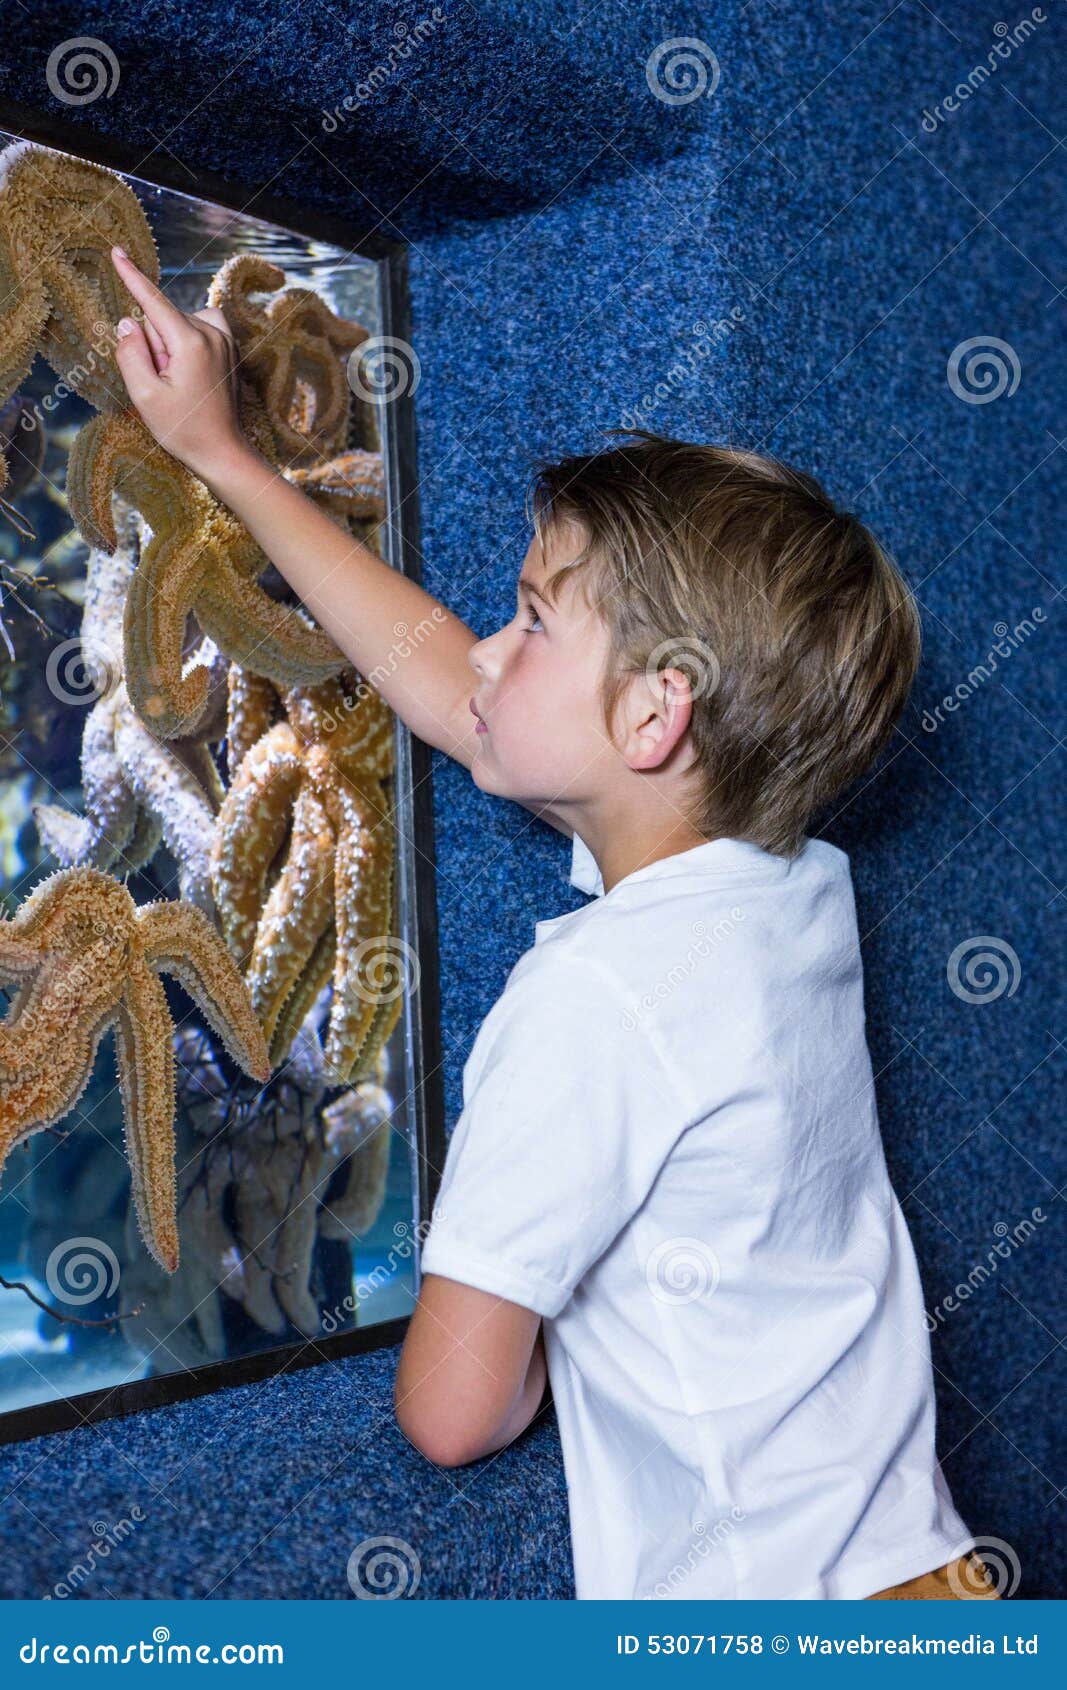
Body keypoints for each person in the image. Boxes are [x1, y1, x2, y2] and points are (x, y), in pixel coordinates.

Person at [105, 247, 1000, 1602]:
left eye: (529, 621)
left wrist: (536, 1286)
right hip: (922, 1575)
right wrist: (227, 457)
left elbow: (455, 1413)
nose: (489, 651)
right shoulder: (788, 883)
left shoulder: (590, 1005)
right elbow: (444, 684)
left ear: (653, 720)